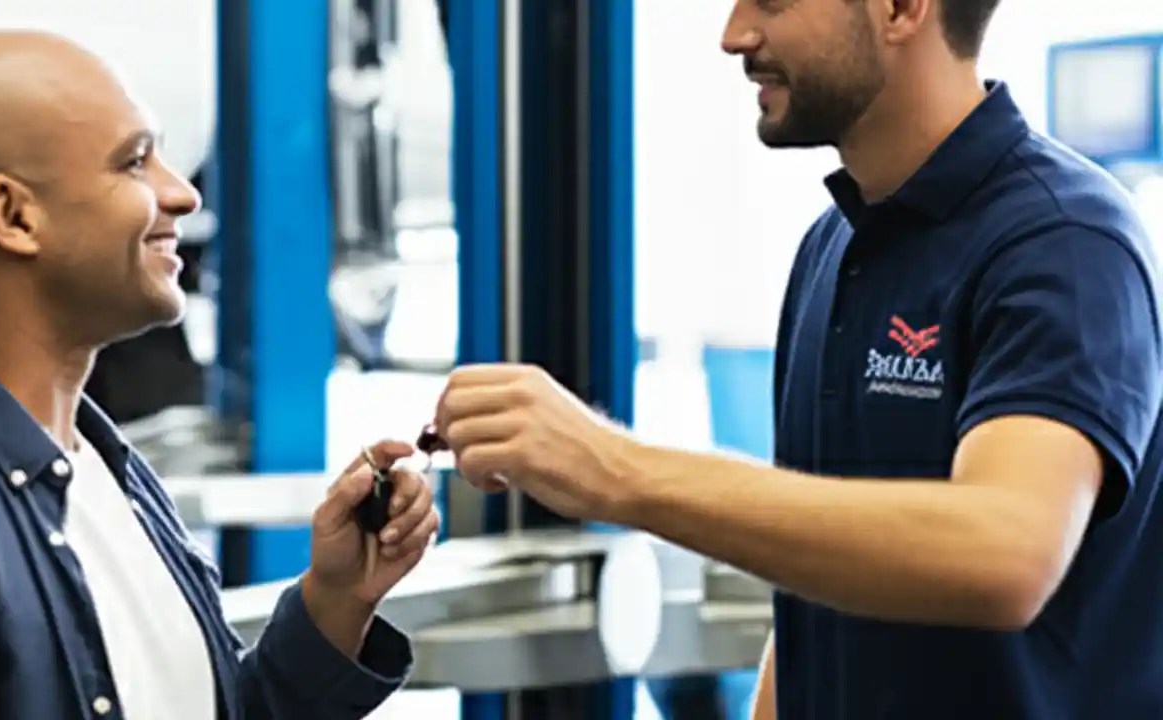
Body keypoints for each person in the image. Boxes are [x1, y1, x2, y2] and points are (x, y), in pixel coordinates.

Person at [434, 1, 1163, 718]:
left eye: (772, 2)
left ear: (901, 9)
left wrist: (610, 469)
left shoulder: (1065, 243)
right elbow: (824, 581)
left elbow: (1005, 556)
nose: (734, 35)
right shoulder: (832, 247)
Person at [0, 31, 439, 719]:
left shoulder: (109, 475)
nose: (183, 195)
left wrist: (336, 599)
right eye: (134, 162)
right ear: (14, 215)